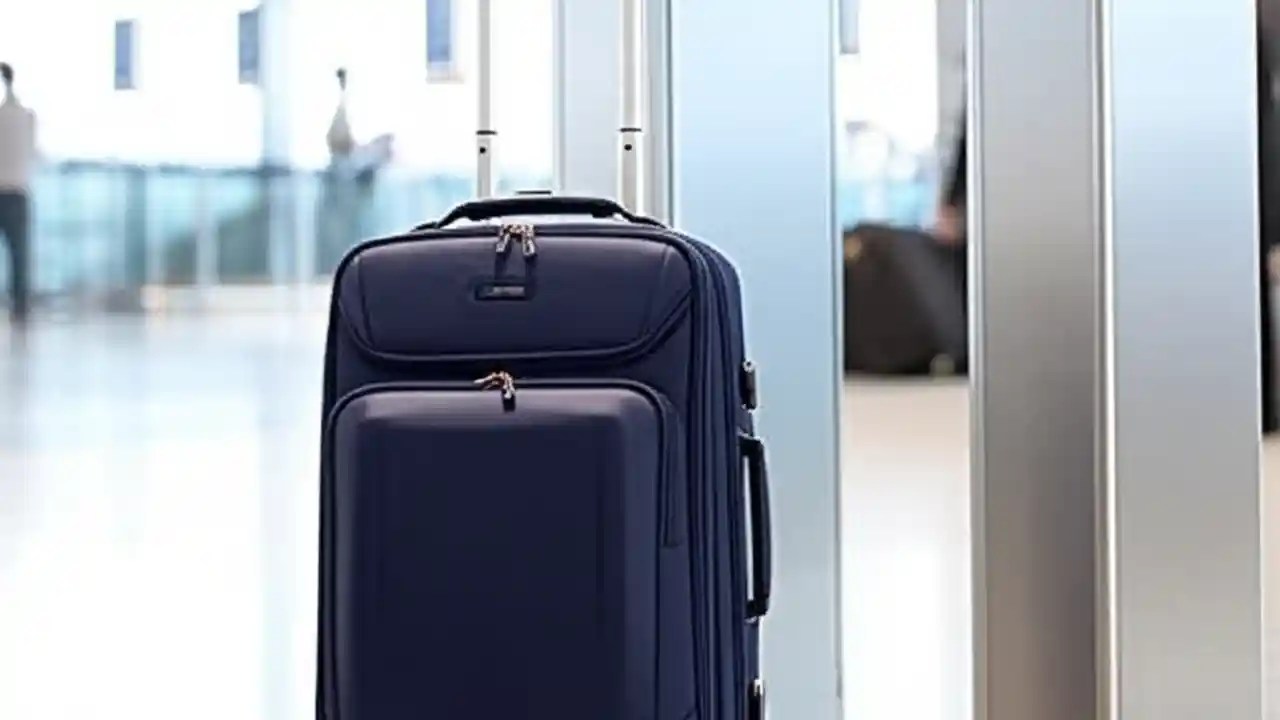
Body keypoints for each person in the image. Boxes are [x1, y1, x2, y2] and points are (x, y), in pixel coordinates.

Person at [0, 62, 35, 326]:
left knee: (18, 254)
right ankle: (20, 309)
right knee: (19, 255)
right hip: (18, 191)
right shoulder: (26, 116)